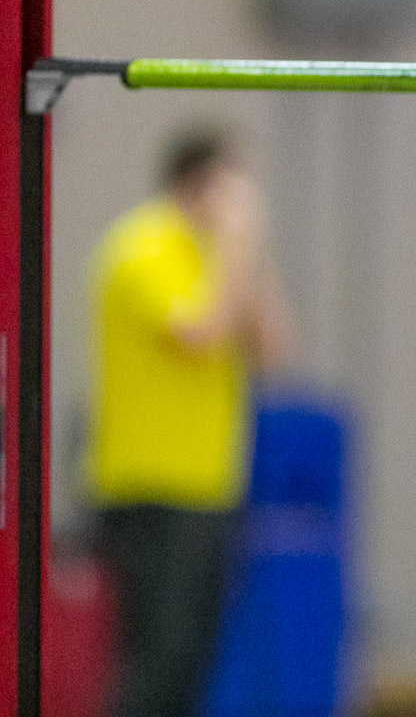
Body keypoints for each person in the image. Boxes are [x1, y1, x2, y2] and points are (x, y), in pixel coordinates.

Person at [85, 127, 294, 717]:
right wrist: (236, 248)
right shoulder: (142, 245)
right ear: (198, 184)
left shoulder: (220, 257)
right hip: (149, 484)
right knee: (156, 662)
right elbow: (200, 335)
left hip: (211, 482)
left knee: (193, 668)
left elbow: (275, 356)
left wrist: (248, 254)